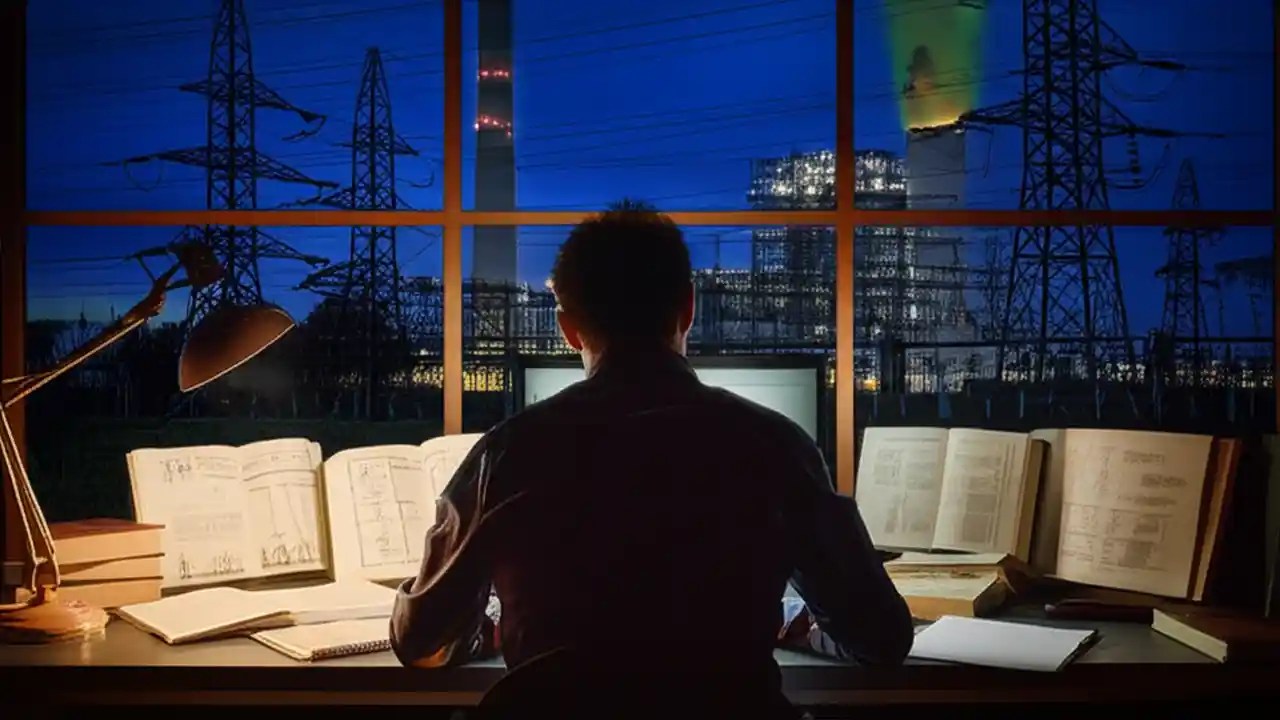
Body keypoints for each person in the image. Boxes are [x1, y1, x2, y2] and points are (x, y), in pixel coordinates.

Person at [389, 202, 913, 717]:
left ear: (568, 328)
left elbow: (420, 644)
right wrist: (801, 630)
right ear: (687, 308)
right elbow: (881, 637)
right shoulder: (779, 446)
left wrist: (487, 631)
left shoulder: (505, 455)